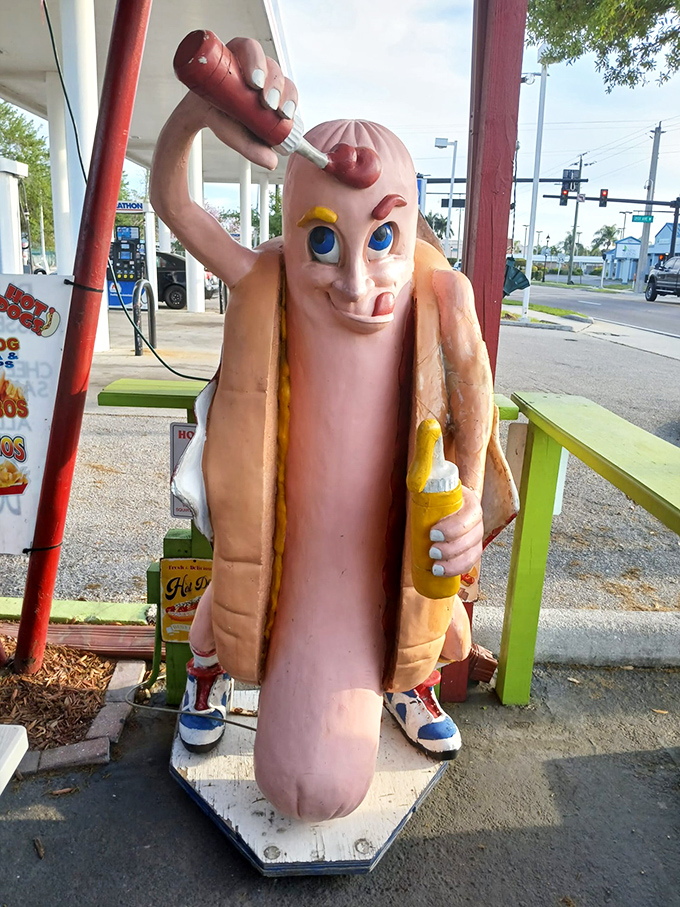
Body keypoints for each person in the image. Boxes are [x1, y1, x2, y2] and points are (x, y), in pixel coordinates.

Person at [150, 36, 516, 822]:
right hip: (285, 524)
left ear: (409, 227)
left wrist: (467, 500)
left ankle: (410, 680)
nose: (355, 283)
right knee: (225, 603)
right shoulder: (267, 279)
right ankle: (207, 669)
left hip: (388, 523)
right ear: (293, 230)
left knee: (433, 615)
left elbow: (474, 399)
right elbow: (175, 203)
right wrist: (200, 111)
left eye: (381, 239)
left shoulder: (437, 298)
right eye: (323, 242)